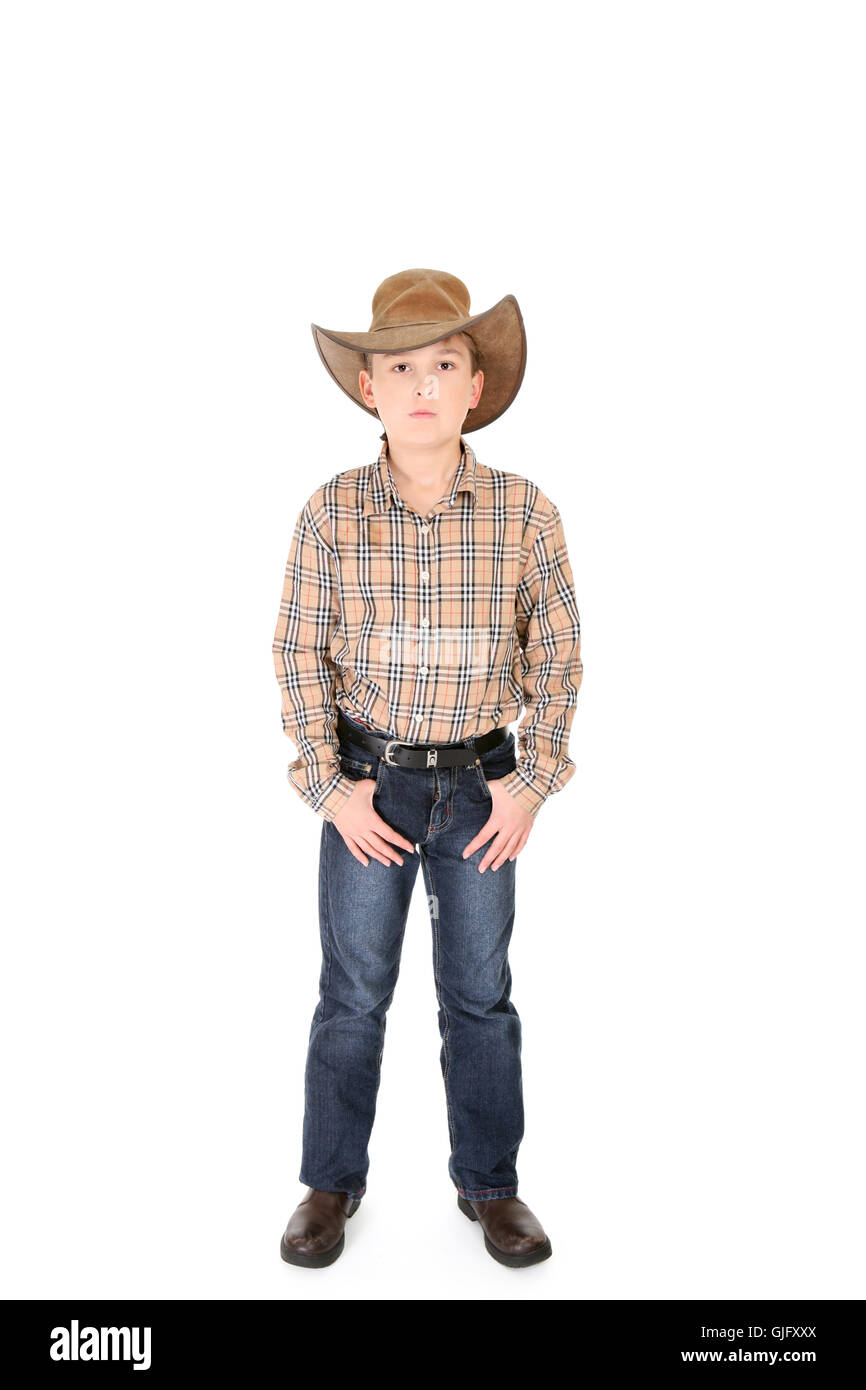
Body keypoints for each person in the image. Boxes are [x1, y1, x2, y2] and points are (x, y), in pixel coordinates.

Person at [271, 268, 583, 1269]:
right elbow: (296, 653)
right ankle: (328, 1183)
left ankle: (491, 1186)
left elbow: (558, 656)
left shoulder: (523, 512)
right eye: (397, 367)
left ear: (473, 387)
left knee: (478, 993)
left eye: (441, 365)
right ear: (368, 388)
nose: (418, 385)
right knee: (352, 992)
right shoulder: (331, 513)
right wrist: (331, 786)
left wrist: (532, 780)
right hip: (371, 785)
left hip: (480, 787)